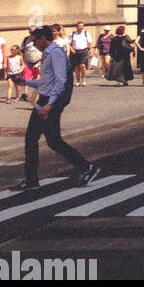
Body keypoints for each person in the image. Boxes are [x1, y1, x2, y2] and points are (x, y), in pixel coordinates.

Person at [8, 26, 101, 192]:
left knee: (41, 139)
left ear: (44, 38)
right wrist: (26, 82)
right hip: (46, 100)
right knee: (47, 140)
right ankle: (33, 179)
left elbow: (60, 81)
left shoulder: (55, 53)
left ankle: (86, 168)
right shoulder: (49, 53)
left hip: (50, 101)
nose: (34, 43)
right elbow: (47, 82)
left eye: (35, 40)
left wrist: (49, 105)